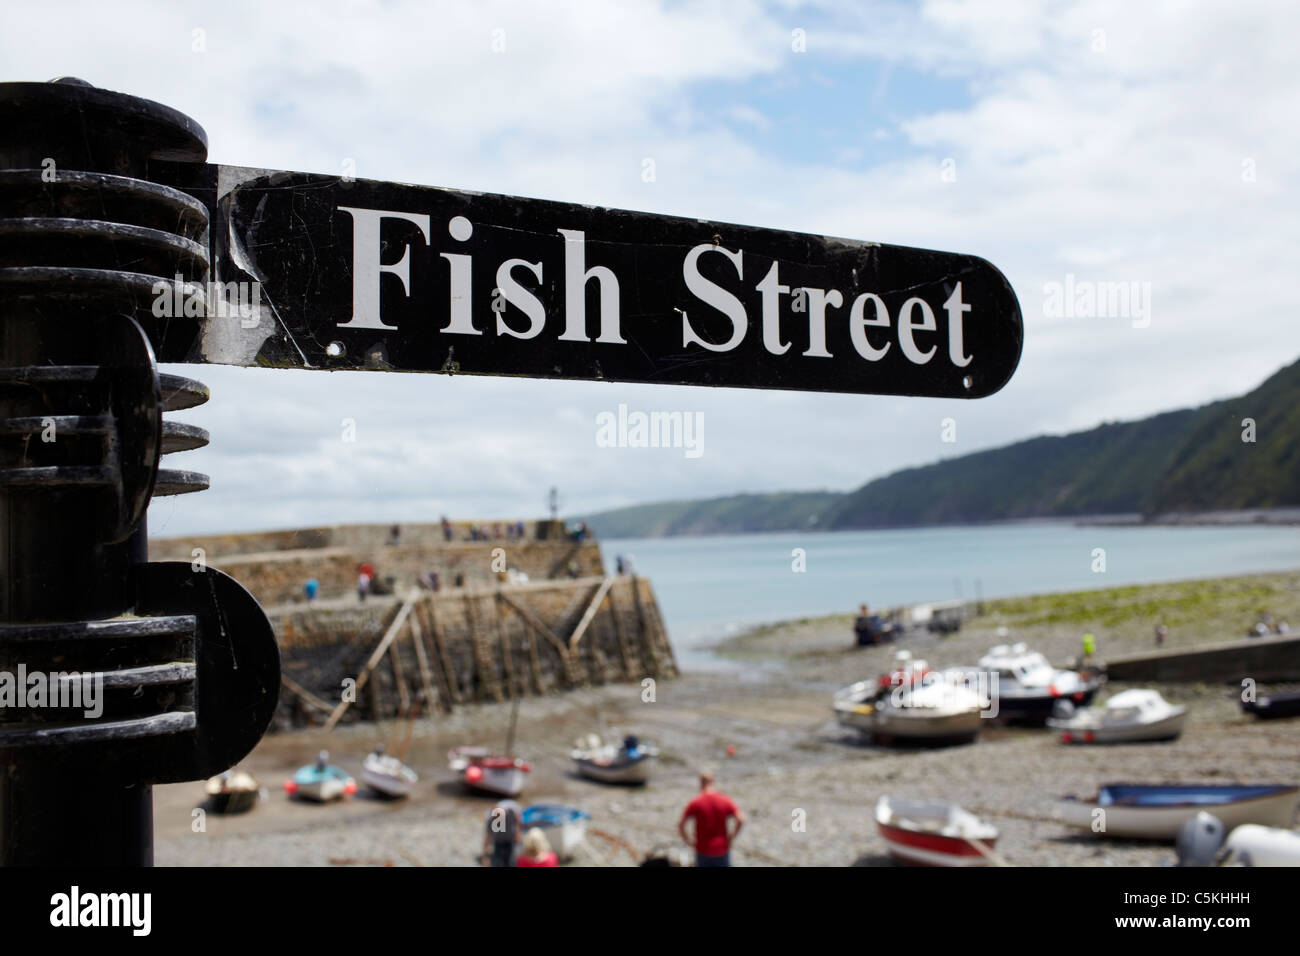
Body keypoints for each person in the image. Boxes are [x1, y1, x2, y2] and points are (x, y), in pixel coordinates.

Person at [678, 770, 744, 867]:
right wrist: (732, 837)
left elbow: (681, 824)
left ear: (701, 783)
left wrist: (688, 840)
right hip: (721, 848)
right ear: (713, 782)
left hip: (702, 849)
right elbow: (740, 819)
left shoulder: (696, 801)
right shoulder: (724, 799)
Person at [482, 798, 523, 867]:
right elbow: (488, 837)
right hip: (498, 841)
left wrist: (518, 832)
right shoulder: (490, 819)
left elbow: (518, 819)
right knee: (498, 862)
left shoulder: (510, 812)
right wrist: (485, 856)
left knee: (512, 860)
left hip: (511, 839)